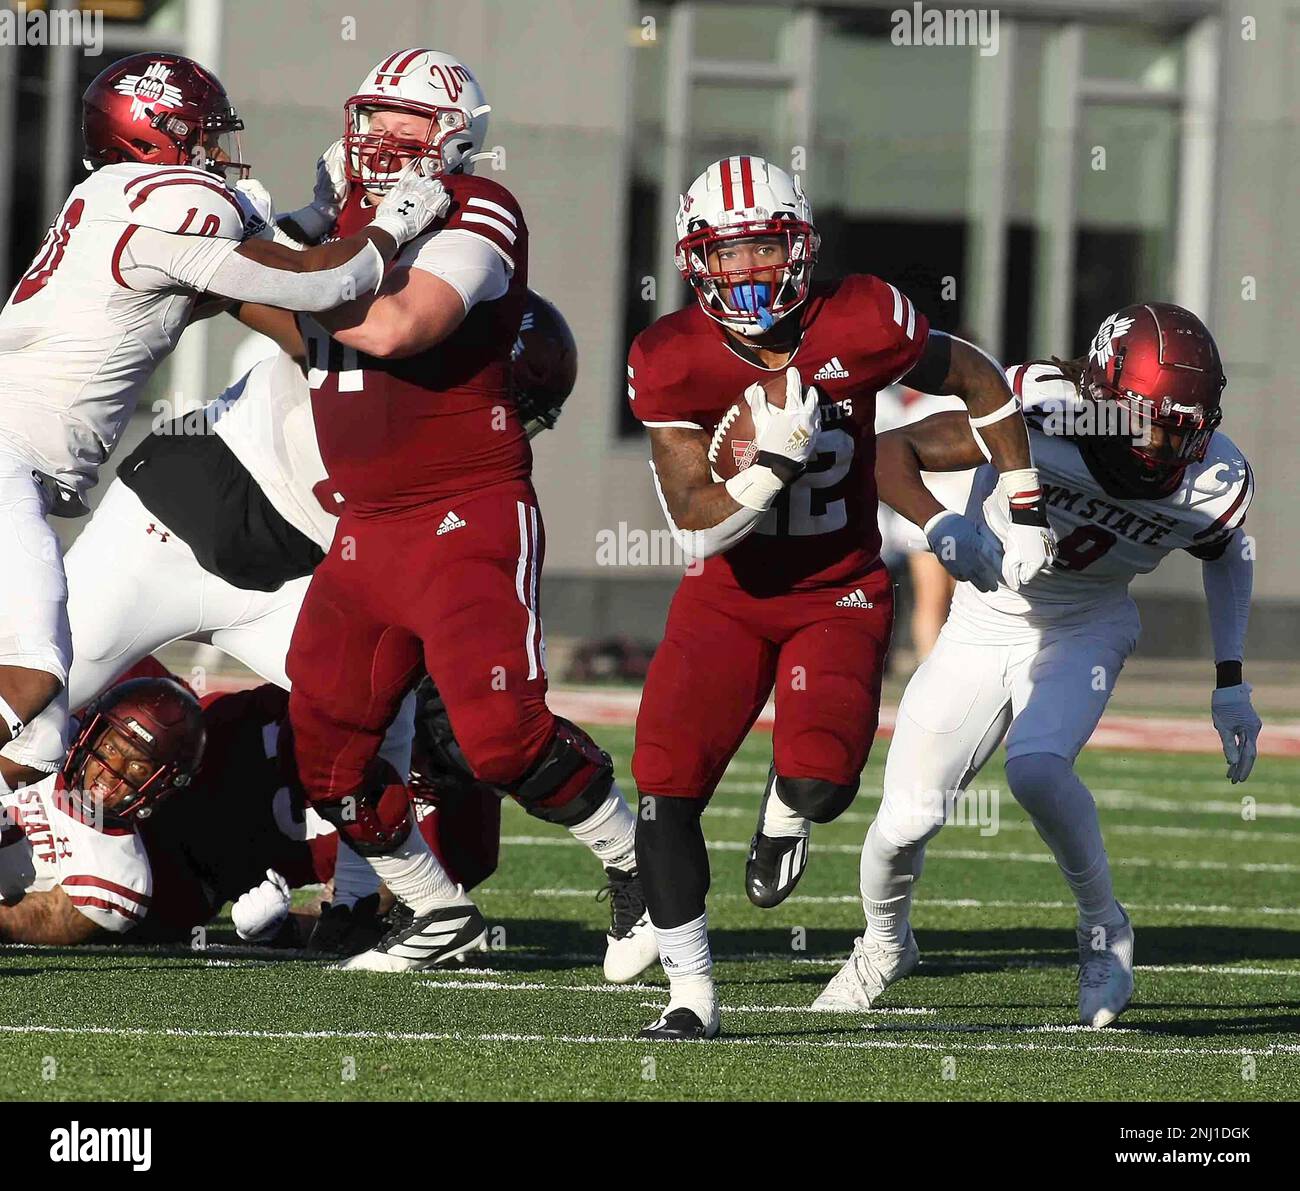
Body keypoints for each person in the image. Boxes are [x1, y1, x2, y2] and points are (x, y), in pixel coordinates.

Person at [233, 48, 650, 974]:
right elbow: (255, 298)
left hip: (464, 510)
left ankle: (637, 864)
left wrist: (297, 264)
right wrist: (292, 241)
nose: (382, 137)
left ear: (453, 135)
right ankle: (436, 911)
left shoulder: (477, 208)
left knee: (502, 741)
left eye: (406, 122)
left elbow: (394, 326)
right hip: (367, 528)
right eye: (372, 116)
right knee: (330, 757)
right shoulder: (358, 222)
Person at [625, 154, 1057, 1039]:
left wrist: (1021, 494)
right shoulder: (670, 358)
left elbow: (976, 375)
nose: (746, 272)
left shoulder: (859, 316)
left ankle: (786, 813)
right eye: (727, 253)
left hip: (838, 590)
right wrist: (771, 465)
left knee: (823, 781)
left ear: (800, 248)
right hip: (727, 595)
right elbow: (693, 524)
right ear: (693, 259)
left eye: (763, 249)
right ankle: (691, 993)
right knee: (665, 790)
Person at [0, 51, 448, 797]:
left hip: (15, 456)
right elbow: (325, 283)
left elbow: (221, 286)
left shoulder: (117, 202)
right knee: (33, 676)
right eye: (200, 138)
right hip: (6, 455)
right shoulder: (167, 200)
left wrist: (308, 214)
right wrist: (393, 225)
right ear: (151, 139)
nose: (215, 156)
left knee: (43, 738)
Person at [815, 302, 1260, 1029]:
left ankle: (1104, 932)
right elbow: (886, 452)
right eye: (1150, 420)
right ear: (1104, 395)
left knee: (1038, 768)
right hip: (983, 618)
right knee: (900, 826)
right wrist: (942, 524)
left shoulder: (1213, 477)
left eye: (1184, 426)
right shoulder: (1044, 412)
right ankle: (884, 943)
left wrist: (1232, 681)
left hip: (1087, 624)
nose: (1164, 443)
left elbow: (1225, 553)